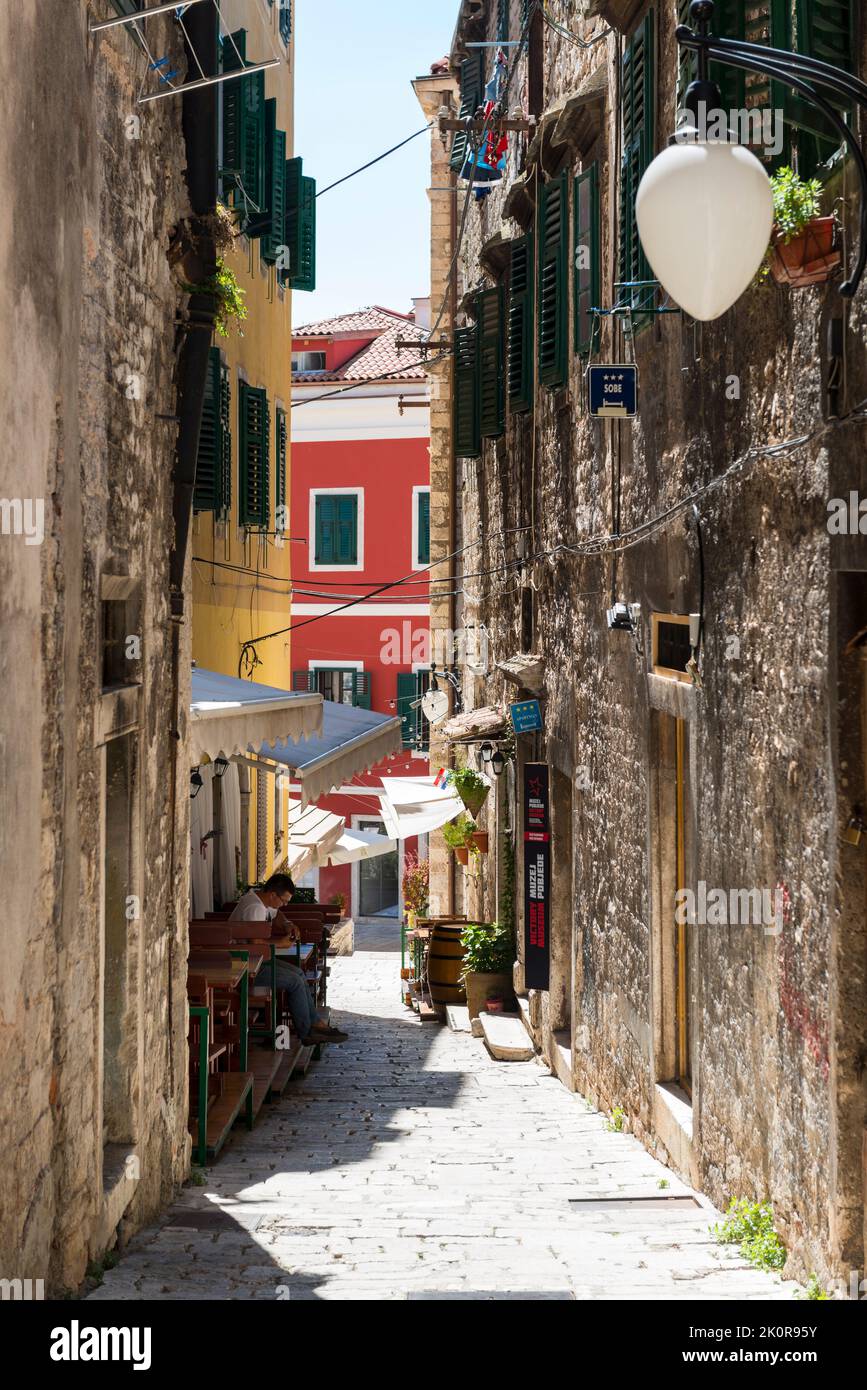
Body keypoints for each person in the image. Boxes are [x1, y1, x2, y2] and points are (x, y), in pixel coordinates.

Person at [229, 874, 348, 1045]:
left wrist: (287, 924)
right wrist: (280, 943)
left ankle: (316, 1024)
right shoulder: (255, 908)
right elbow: (255, 943)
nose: (284, 905)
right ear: (272, 895)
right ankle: (307, 1032)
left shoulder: (260, 900)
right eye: (284, 901)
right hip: (244, 969)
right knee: (295, 982)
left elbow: (276, 915)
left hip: (254, 961)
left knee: (299, 973)